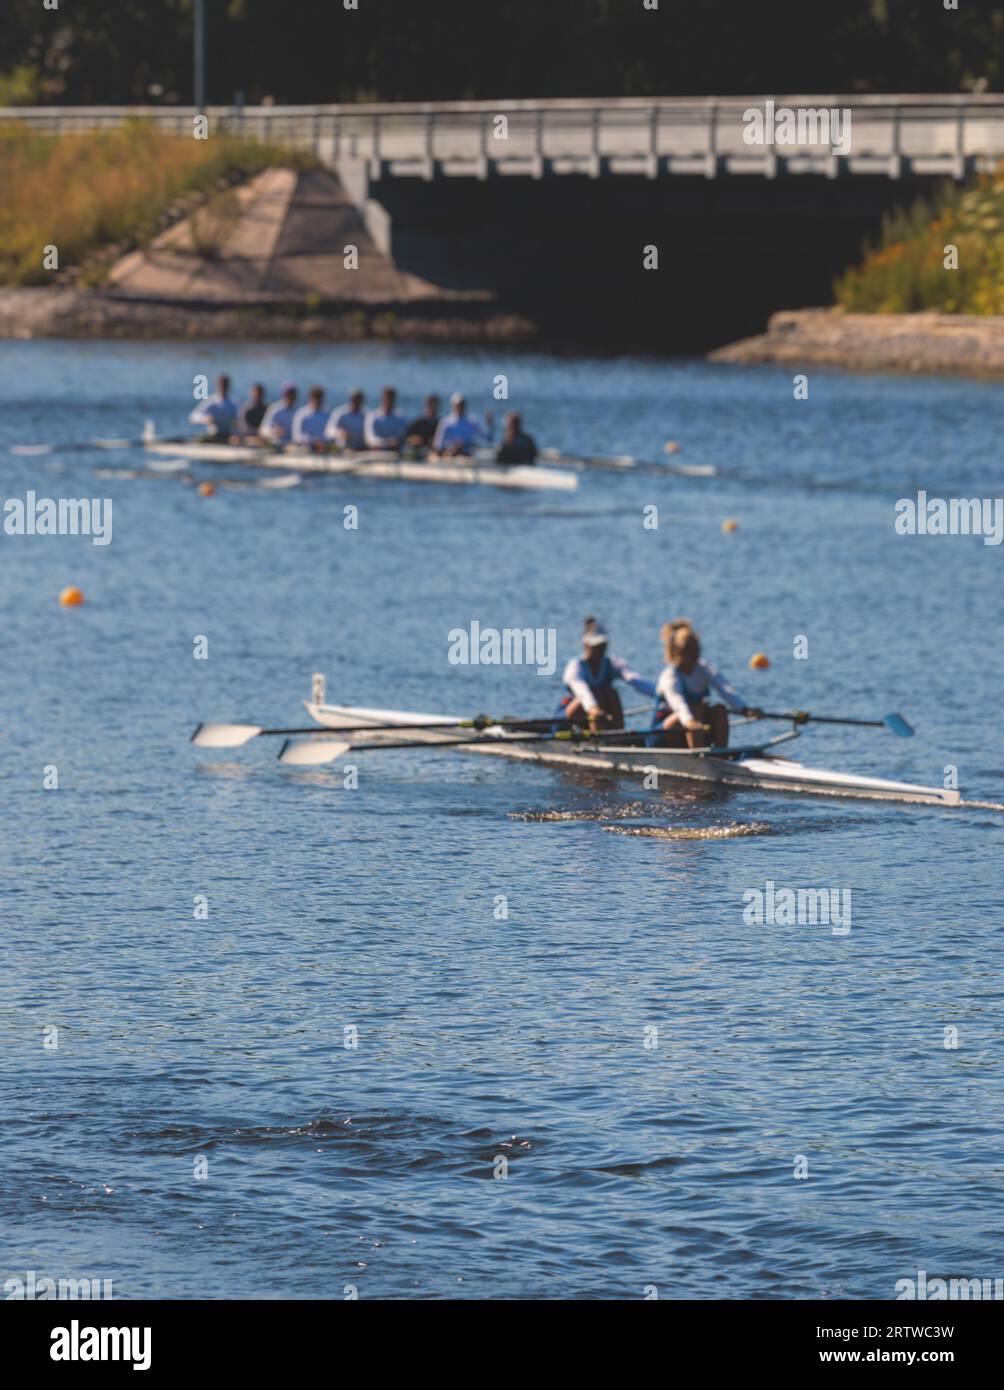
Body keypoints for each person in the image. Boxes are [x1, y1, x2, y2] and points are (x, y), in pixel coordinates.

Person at [649, 620, 758, 749]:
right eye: (690, 652)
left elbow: (725, 690)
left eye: (696, 650)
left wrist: (745, 709)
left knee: (720, 709)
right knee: (694, 709)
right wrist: (688, 720)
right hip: (663, 735)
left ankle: (721, 754)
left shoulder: (704, 669)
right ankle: (699, 758)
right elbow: (678, 704)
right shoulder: (670, 676)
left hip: (695, 727)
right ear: (679, 653)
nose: (695, 655)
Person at [558, 618, 656, 732]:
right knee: (596, 697)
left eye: (603, 645)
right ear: (586, 645)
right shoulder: (575, 666)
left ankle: (618, 737)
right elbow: (583, 692)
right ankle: (599, 741)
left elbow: (634, 679)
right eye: (596, 646)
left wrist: (660, 695)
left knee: (612, 694)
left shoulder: (612, 662)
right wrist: (593, 708)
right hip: (568, 718)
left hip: (598, 714)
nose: (600, 650)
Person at [189, 374, 238, 439]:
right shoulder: (211, 401)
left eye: (224, 385)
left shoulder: (235, 403)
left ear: (228, 386)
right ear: (217, 385)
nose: (222, 387)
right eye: (221, 384)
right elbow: (193, 417)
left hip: (229, 436)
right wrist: (206, 419)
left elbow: (241, 420)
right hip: (212, 436)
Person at [364, 387, 408, 452]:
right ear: (381, 399)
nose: (388, 402)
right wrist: (387, 442)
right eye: (386, 399)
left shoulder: (401, 417)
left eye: (391, 399)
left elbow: (404, 437)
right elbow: (370, 439)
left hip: (396, 453)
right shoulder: (372, 416)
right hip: (377, 453)